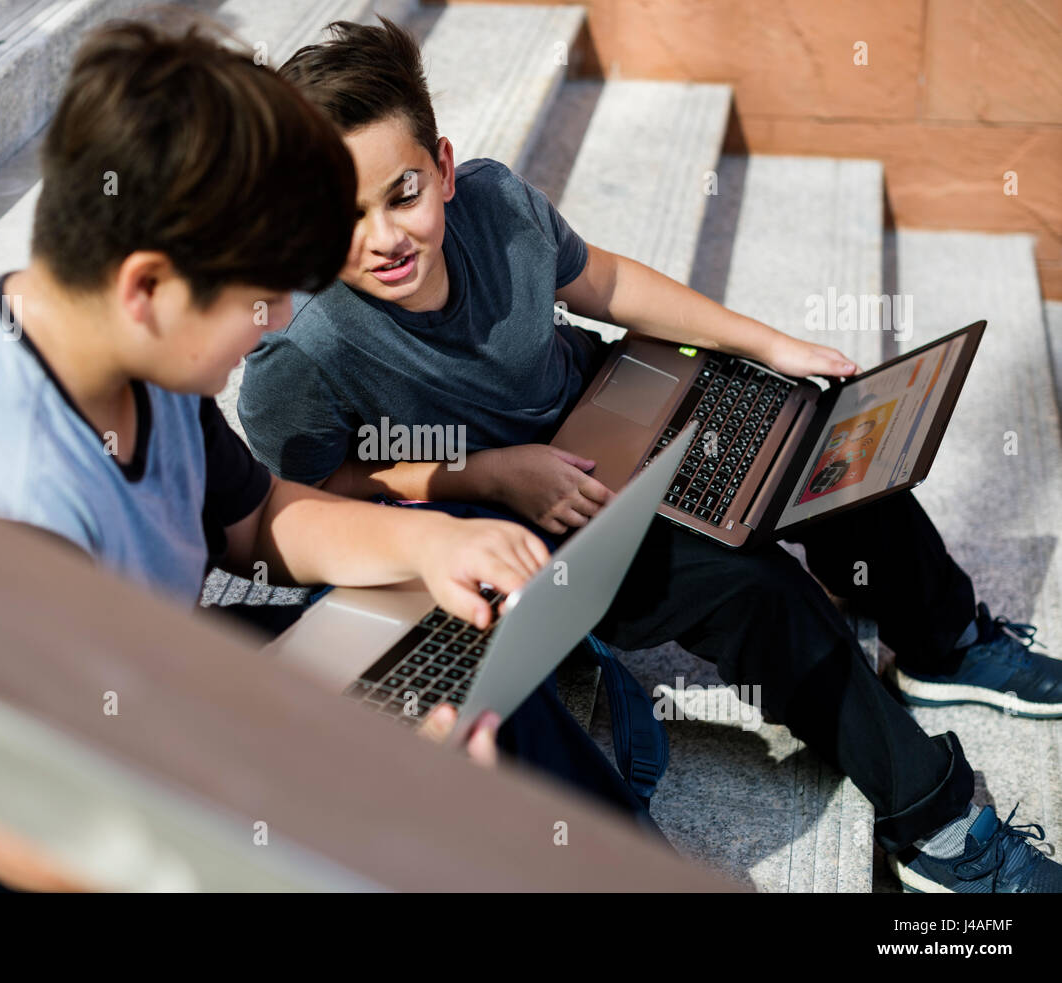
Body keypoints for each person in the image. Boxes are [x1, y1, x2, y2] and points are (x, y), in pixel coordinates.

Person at [236, 16, 1062, 893]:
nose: (381, 236)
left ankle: (945, 643)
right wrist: (490, 471)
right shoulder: (302, 346)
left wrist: (768, 345)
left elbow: (606, 282)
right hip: (541, 519)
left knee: (822, 440)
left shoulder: (494, 201)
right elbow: (305, 493)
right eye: (341, 214)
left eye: (401, 193)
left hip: (620, 400)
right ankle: (935, 824)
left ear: (440, 167)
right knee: (760, 590)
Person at [0, 14, 550, 893]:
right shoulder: (6, 502)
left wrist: (429, 540)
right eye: (260, 296)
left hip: (117, 696)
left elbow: (252, 518)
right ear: (146, 286)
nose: (284, 319)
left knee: (441, 646)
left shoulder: (118, 350)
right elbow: (28, 835)